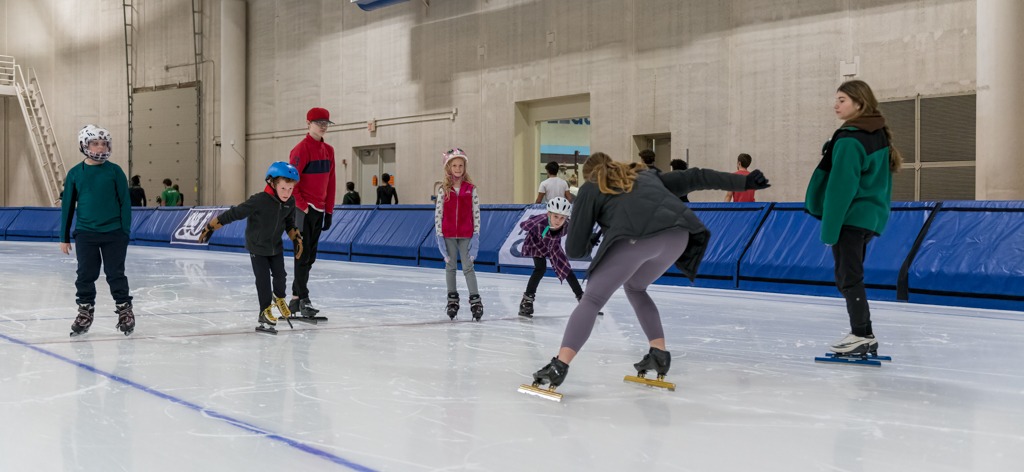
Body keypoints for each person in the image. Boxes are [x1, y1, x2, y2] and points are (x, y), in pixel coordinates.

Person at [526, 152, 769, 395]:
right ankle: (658, 354)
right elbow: (696, 177)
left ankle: (560, 365)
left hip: (638, 237)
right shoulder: (646, 175)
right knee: (636, 287)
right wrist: (744, 182)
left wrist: (589, 241)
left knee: (592, 299)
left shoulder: (591, 187)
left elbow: (575, 249)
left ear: (589, 174)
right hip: (678, 236)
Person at [805, 79, 901, 357]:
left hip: (851, 216)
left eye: (842, 100)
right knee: (849, 275)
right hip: (869, 216)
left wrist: (829, 230)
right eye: (836, 99)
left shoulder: (850, 139)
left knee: (848, 276)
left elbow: (840, 188)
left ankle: (862, 334)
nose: (836, 105)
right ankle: (863, 333)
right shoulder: (877, 134)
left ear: (860, 103)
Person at [198, 162, 304, 334]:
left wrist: (297, 238)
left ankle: (279, 298)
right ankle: (264, 311)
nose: (287, 193)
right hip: (257, 247)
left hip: (275, 246)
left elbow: (289, 223)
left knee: (280, 276)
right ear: (272, 183)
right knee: (262, 280)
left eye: (290, 189)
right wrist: (212, 226)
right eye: (284, 188)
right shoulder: (259, 200)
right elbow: (235, 213)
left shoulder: (290, 202)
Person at [61, 125, 136, 337]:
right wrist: (64, 237)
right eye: (95, 143)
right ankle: (85, 311)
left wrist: (124, 231)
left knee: (115, 273)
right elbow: (67, 207)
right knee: (85, 274)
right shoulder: (75, 173)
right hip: (85, 233)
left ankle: (124, 310)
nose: (101, 147)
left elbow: (124, 203)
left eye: (104, 143)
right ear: (84, 146)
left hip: (114, 233)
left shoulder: (115, 171)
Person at [288, 107, 337, 319]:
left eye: (325, 122)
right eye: (319, 122)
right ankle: (304, 298)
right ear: (308, 123)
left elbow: (331, 182)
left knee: (310, 257)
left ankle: (295, 300)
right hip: (302, 210)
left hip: (318, 210)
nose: (323, 126)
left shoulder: (329, 150)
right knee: (302, 254)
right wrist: (303, 205)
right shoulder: (300, 150)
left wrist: (329, 210)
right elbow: (291, 181)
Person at [517, 197, 597, 318]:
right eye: (555, 216)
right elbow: (524, 225)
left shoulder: (567, 225)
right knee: (540, 268)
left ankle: (582, 299)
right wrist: (539, 231)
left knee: (567, 270)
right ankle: (527, 301)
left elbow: (578, 231)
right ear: (549, 213)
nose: (558, 221)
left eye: (562, 218)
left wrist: (589, 237)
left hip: (553, 245)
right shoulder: (539, 222)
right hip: (536, 243)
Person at [434, 148, 483, 320]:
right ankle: (452, 298)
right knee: (451, 267)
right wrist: (439, 236)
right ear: (448, 167)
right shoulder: (443, 190)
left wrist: (475, 236)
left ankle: (475, 300)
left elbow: (476, 213)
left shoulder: (471, 189)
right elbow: (438, 214)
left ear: (464, 167)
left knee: (468, 267)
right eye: (454, 165)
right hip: (448, 235)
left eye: (461, 165)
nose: (458, 168)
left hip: (466, 234)